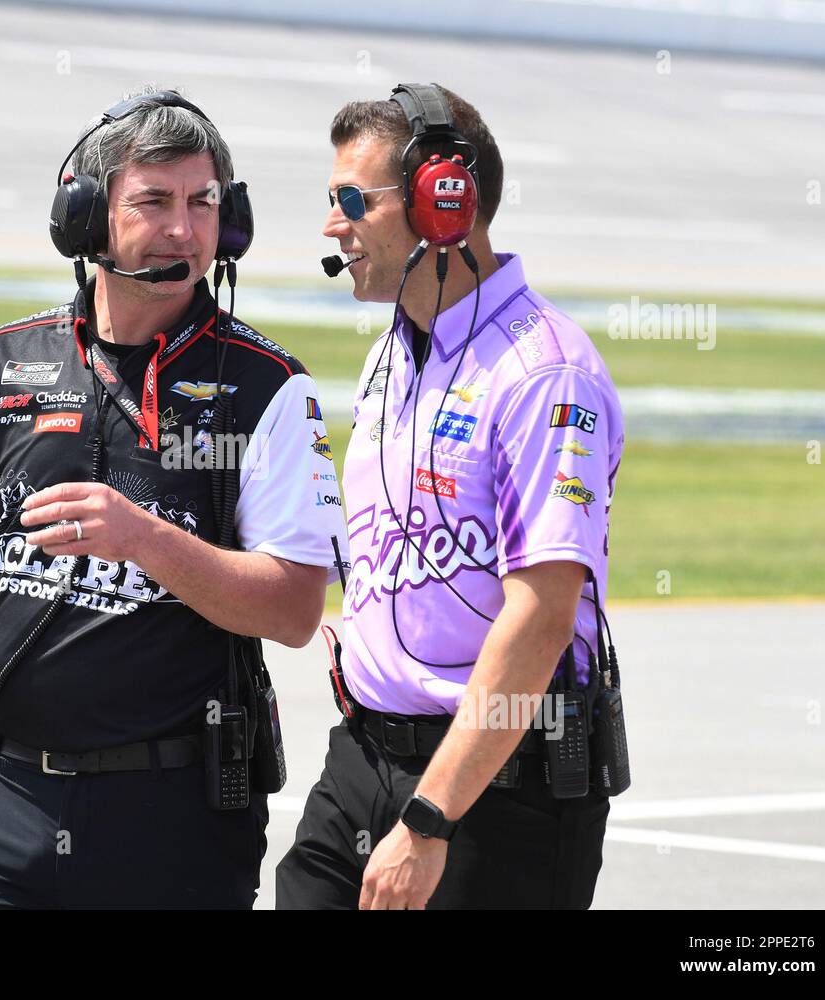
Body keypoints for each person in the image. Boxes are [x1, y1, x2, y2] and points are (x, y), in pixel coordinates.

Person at [0, 88, 349, 909]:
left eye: (202, 204)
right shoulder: (5, 364)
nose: (183, 229)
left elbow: (296, 609)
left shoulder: (268, 388)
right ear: (86, 220)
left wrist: (144, 538)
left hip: (170, 820)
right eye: (153, 202)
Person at [276, 83, 624, 909]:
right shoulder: (393, 356)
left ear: (445, 204)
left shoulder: (545, 374)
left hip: (494, 791)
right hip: (363, 761)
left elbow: (539, 618)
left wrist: (430, 820)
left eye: (353, 201)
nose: (334, 226)